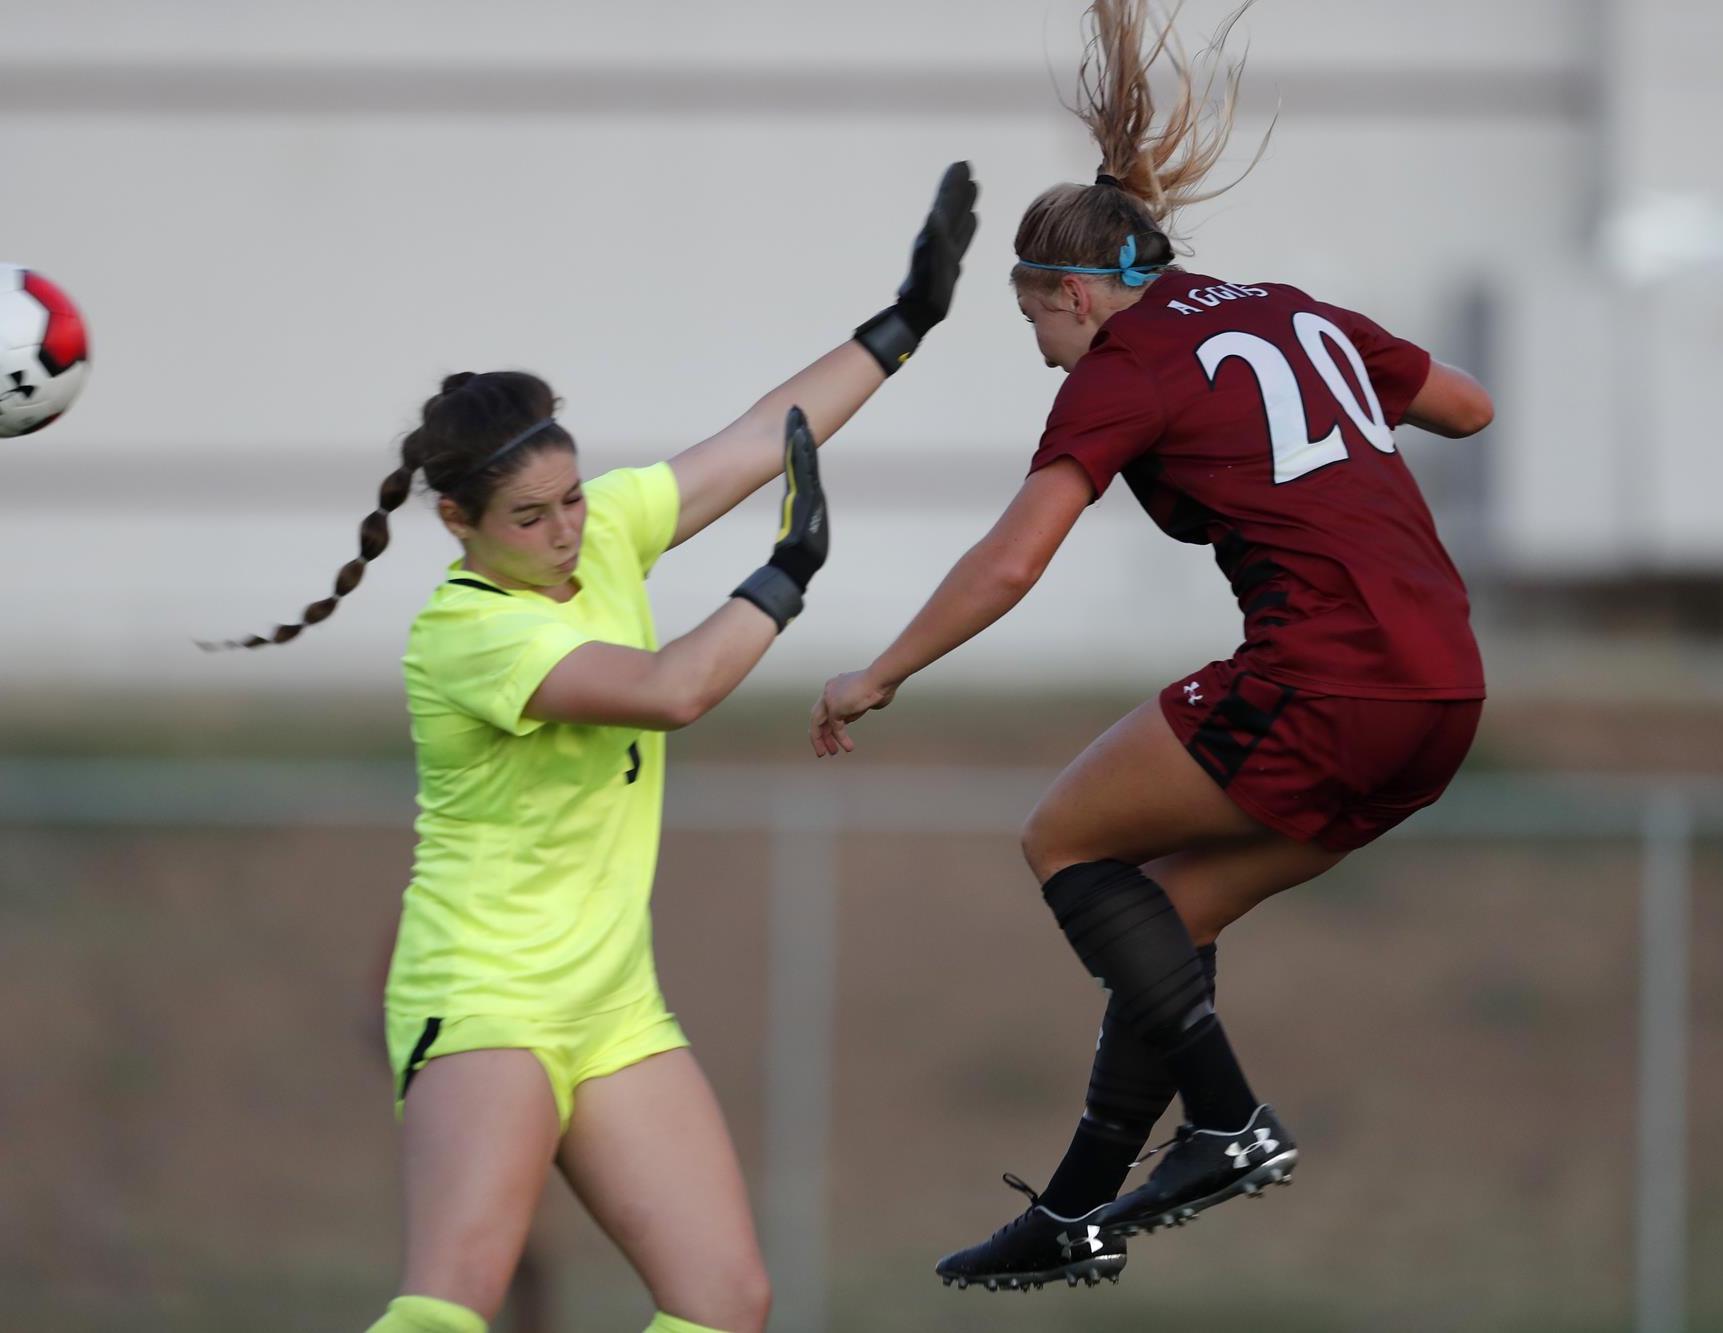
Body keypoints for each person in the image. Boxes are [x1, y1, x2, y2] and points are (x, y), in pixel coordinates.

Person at [216, 164, 978, 1333]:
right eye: (530, 517)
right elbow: (672, 690)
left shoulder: (602, 530)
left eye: (571, 498)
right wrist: (783, 579)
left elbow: (756, 439)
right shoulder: (467, 630)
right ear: (457, 524)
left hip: (611, 998)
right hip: (484, 995)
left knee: (725, 1300)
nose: (566, 530)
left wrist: (902, 327)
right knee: (449, 1306)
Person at [810, 0, 1495, 1294]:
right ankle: (1078, 1206)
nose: (1049, 356)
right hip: (1444, 693)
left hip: (1329, 675)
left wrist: (881, 669)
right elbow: (1469, 404)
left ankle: (1230, 1120)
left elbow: (1013, 557)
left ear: (1075, 292)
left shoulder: (1131, 358)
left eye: (1040, 328)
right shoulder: (1298, 312)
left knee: (1064, 838)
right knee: (1165, 917)